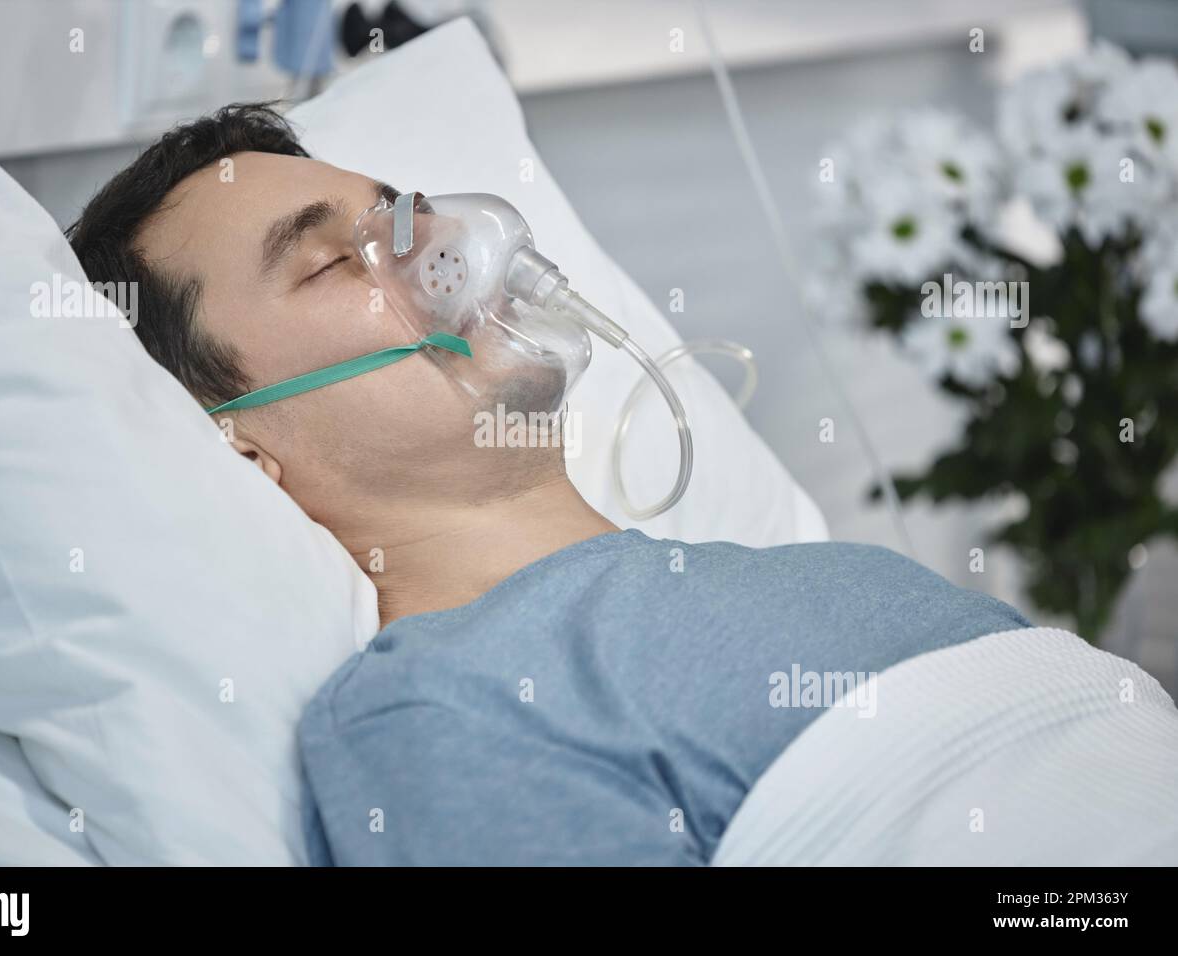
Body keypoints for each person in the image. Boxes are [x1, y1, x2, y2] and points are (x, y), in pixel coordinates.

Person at [68, 104, 1030, 865]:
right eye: (328, 263)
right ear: (239, 447)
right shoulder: (440, 714)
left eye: (402, 216)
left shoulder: (836, 577)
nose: (430, 250)